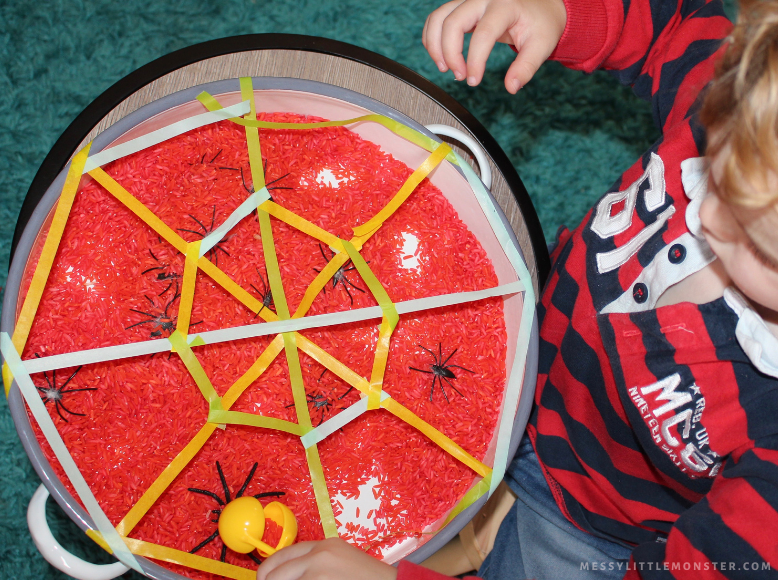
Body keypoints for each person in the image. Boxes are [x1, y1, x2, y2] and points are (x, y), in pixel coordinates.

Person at [255, 0, 778, 577]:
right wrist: (561, 14)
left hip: (591, 514)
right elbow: (677, 25)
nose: (707, 215)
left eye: (760, 245)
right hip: (527, 343)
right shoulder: (751, 102)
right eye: (720, 163)